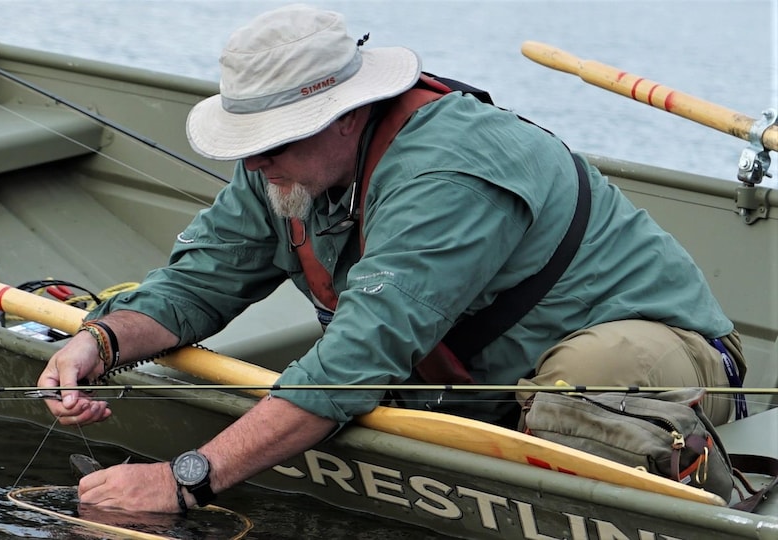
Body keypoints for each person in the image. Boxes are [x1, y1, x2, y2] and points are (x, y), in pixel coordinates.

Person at [37, 4, 746, 513]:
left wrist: (185, 479)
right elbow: (197, 283)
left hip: (659, 363)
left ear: (347, 113)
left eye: (276, 141)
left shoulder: (449, 171)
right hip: (487, 384)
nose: (256, 162)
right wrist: (97, 341)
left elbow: (359, 355)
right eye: (247, 141)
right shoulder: (280, 172)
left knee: (577, 397)